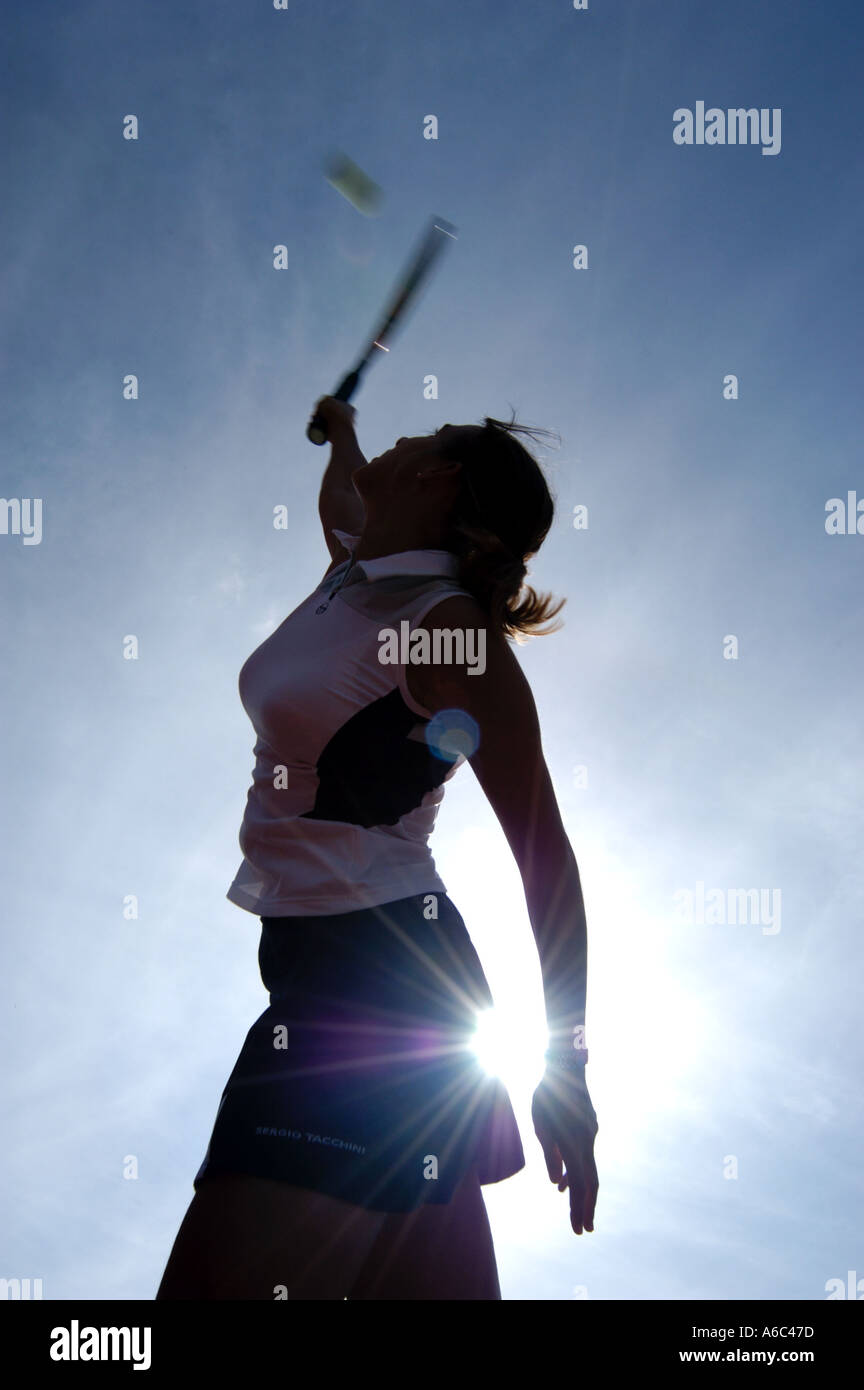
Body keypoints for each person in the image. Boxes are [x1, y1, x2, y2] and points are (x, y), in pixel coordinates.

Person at [155, 398, 598, 1300]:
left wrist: (566, 1064)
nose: (406, 437)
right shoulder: (357, 574)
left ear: (440, 479)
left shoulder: (446, 632)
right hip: (341, 976)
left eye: (421, 438)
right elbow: (344, 510)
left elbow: (545, 853)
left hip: (375, 994)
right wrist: (345, 433)